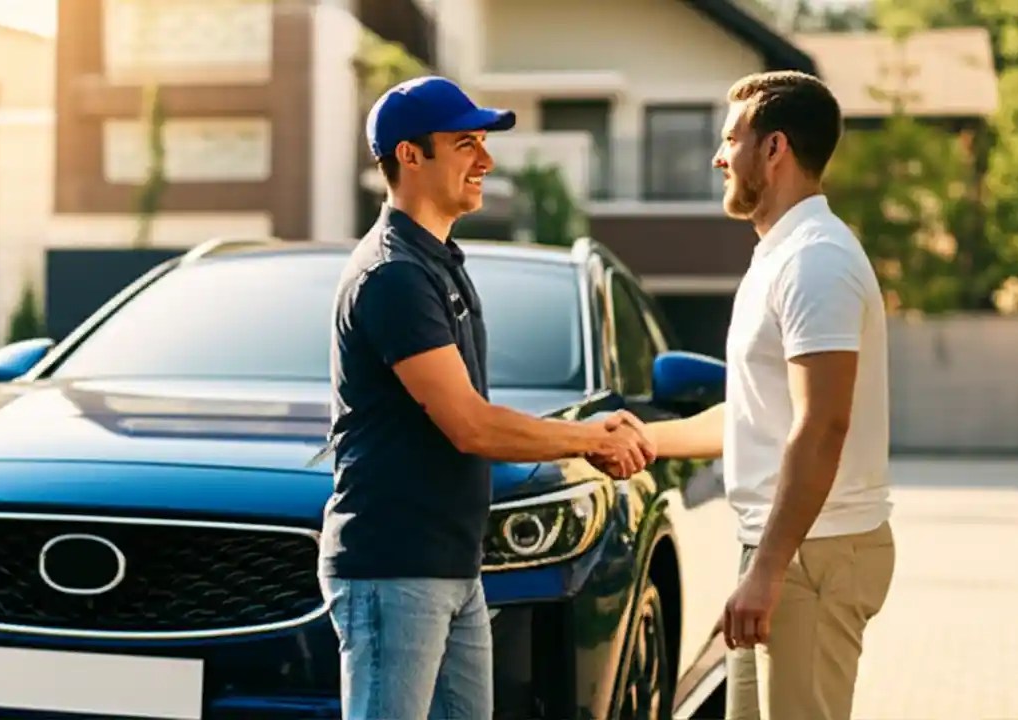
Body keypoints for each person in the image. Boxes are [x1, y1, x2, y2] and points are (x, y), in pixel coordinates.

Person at [318, 75, 655, 720]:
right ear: (409, 155)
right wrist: (592, 441)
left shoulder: (438, 263)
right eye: (465, 143)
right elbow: (471, 426)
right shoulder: (392, 275)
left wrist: (585, 428)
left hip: (452, 566)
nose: (486, 160)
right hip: (395, 570)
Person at [634, 71, 895, 720]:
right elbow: (757, 417)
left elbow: (822, 426)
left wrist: (768, 571)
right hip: (785, 550)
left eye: (730, 139)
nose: (718, 157)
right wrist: (642, 438)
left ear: (774, 148)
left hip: (814, 554)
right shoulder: (778, 256)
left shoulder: (816, 261)